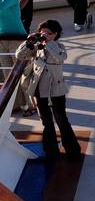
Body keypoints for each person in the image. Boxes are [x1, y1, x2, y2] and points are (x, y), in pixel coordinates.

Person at [14, 20, 81, 159]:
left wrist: (48, 43)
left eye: (48, 33)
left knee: (61, 120)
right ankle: (51, 151)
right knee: (46, 122)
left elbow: (61, 58)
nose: (44, 35)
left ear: (55, 34)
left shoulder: (58, 46)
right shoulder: (36, 48)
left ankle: (73, 151)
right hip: (39, 90)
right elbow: (19, 55)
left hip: (56, 90)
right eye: (42, 32)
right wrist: (28, 42)